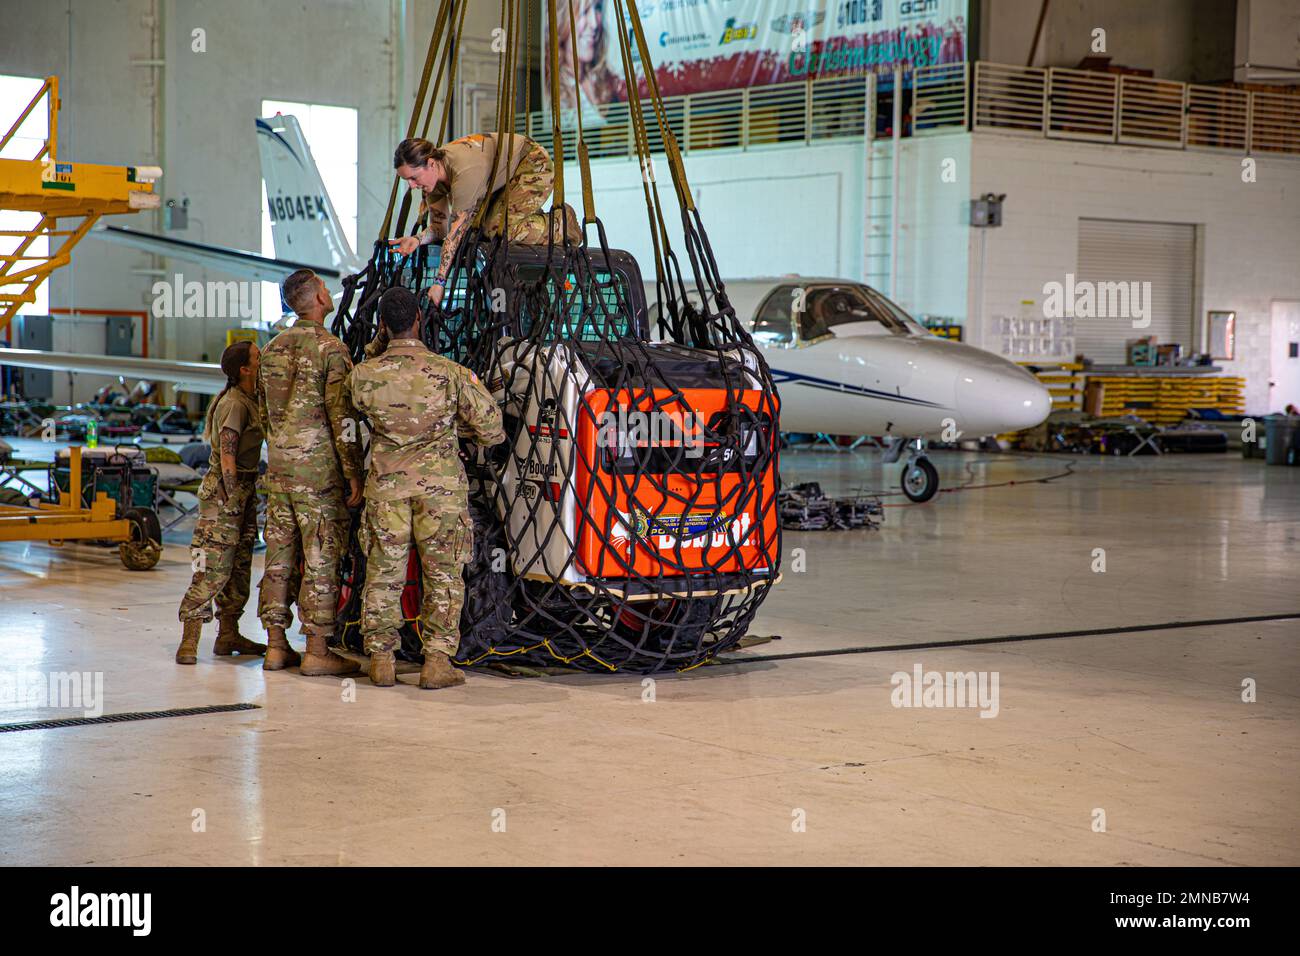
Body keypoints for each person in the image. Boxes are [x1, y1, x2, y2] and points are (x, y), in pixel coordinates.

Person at [347, 287, 504, 690]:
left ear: (383, 325)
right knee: (445, 574)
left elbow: (347, 420)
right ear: (420, 318)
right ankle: (436, 661)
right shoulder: (450, 373)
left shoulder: (363, 375)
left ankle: (381, 659)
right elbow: (492, 430)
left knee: (383, 572)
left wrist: (377, 346)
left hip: (386, 487)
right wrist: (455, 427)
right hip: (440, 490)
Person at [257, 268, 365, 676]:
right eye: (324, 286)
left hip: (280, 468)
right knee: (320, 555)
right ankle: (317, 649)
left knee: (279, 556)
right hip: (317, 474)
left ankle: (275, 645)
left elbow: (266, 414)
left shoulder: (271, 349)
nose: (328, 290)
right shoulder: (331, 350)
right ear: (319, 298)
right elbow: (343, 419)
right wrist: (353, 472)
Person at [390, 133, 581, 307]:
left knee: (497, 229)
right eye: (407, 180)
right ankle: (527, 218)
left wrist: (439, 283)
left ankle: (561, 225)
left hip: (531, 162)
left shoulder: (463, 175)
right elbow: (440, 229)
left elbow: (454, 236)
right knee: (479, 228)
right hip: (502, 173)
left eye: (414, 178)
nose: (412, 185)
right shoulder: (433, 181)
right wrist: (417, 239)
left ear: (431, 163)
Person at [175, 342, 268, 664]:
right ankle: (189, 640)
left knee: (240, 566)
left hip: (244, 489)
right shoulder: (235, 404)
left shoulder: (250, 399)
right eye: (258, 358)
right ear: (245, 369)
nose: (263, 360)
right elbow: (228, 454)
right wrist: (230, 497)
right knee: (210, 568)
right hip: (226, 492)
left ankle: (228, 634)